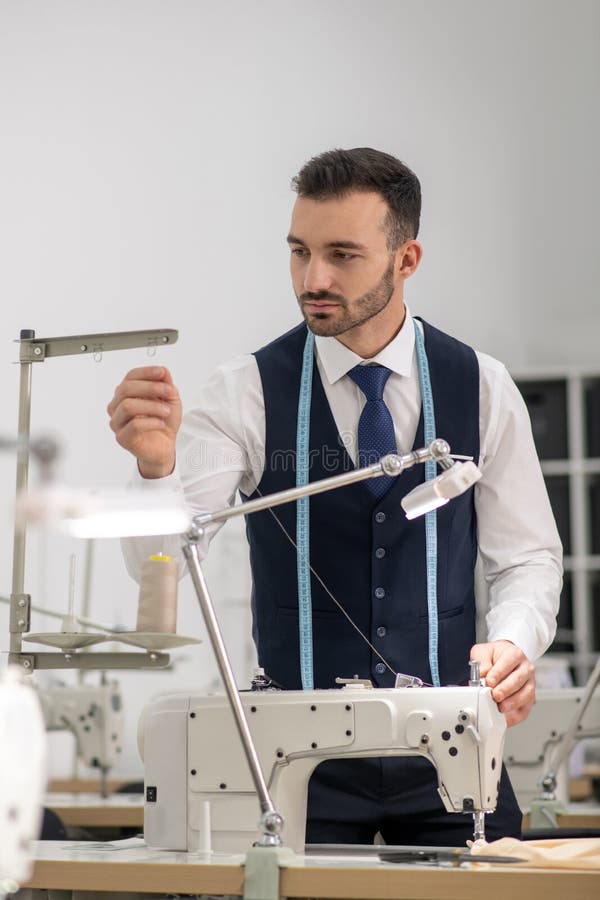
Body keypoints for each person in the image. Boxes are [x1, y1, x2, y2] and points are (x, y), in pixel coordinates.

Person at [108, 148, 562, 846]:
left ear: (406, 260)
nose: (313, 279)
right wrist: (154, 475)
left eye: (342, 255)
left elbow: (528, 558)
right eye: (299, 252)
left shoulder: (481, 385)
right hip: (293, 769)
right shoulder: (244, 393)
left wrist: (512, 643)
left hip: (455, 752)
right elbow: (160, 566)